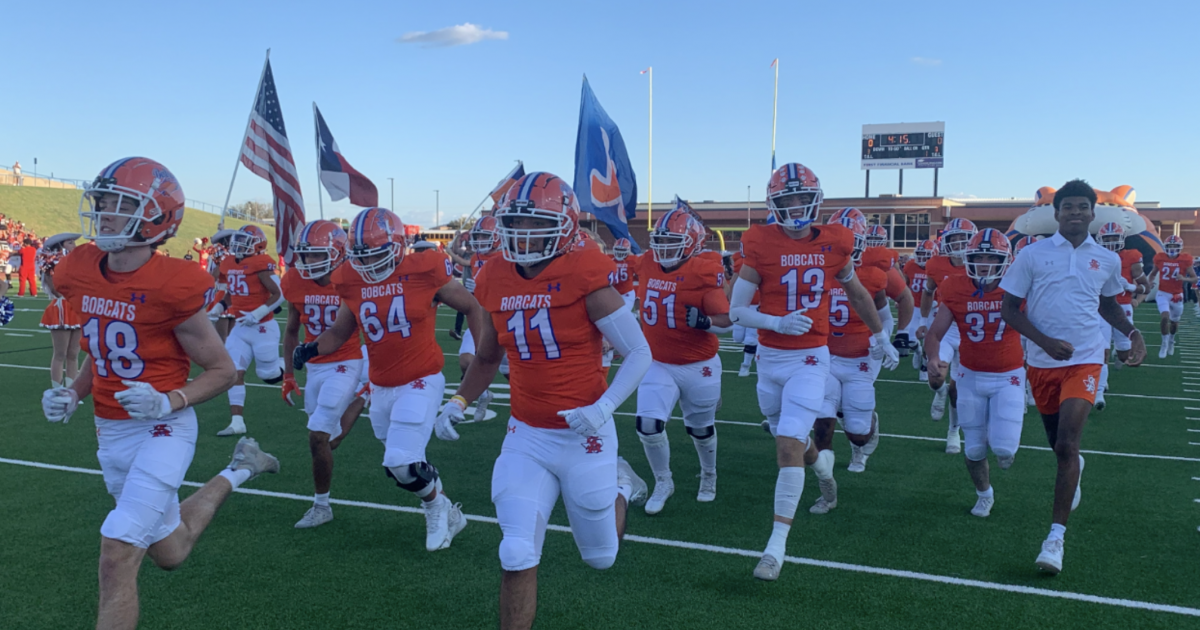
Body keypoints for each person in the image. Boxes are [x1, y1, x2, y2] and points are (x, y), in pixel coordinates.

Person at [40, 157, 278, 629]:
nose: (103, 213)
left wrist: (169, 400)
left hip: (163, 428)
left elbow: (223, 369)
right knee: (168, 551)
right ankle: (241, 467)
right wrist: (76, 393)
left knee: (118, 552)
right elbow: (99, 349)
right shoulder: (81, 267)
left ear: (156, 217)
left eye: (117, 204)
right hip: (110, 430)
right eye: (102, 202)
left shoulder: (173, 284)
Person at [432, 172, 651, 630]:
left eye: (535, 224)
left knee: (602, 558)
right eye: (515, 223)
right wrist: (458, 400)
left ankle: (622, 487)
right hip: (526, 434)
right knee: (514, 551)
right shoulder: (494, 275)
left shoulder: (585, 272)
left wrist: (603, 408)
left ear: (566, 226)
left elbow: (639, 353)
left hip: (584, 432)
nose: (523, 234)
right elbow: (490, 353)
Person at [730, 163, 898, 581]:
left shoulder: (835, 242)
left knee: (786, 445)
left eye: (802, 198)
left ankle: (775, 548)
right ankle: (824, 471)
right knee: (793, 440)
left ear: (815, 200)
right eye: (787, 199)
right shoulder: (758, 242)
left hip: (811, 357)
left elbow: (857, 293)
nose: (795, 206)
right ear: (774, 204)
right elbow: (737, 310)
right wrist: (775, 322)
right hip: (771, 358)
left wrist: (880, 336)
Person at [294, 207, 485, 552]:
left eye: (378, 255)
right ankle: (444, 508)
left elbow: (471, 306)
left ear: (397, 247)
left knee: (400, 460)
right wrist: (311, 349)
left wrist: (481, 350)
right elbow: (340, 330)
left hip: (421, 378)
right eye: (361, 257)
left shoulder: (425, 268)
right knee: (403, 467)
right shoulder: (350, 278)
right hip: (381, 385)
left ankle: (439, 509)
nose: (369, 265)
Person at [999, 179, 1146, 575]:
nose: (1076, 213)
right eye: (1069, 207)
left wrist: (1132, 334)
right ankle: (1074, 465)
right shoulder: (1031, 255)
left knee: (1066, 443)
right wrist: (1044, 341)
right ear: (1057, 213)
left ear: (1092, 213)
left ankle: (1054, 540)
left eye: (1083, 207)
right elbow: (1009, 309)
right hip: (1042, 363)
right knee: (1057, 444)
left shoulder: (1107, 260)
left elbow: (1109, 306)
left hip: (1085, 360)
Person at [633, 206, 731, 514]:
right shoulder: (647, 262)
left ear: (692, 243)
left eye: (671, 241)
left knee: (700, 429)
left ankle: (709, 474)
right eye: (659, 241)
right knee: (647, 425)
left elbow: (726, 320)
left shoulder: (703, 270)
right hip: (658, 361)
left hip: (698, 363)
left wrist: (703, 322)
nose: (663, 248)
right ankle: (664, 480)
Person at [925, 229, 1025, 518]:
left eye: (990, 256)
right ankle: (984, 494)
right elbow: (936, 332)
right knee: (974, 450)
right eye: (978, 256)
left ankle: (1004, 442)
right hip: (970, 375)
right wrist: (933, 356)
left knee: (1004, 449)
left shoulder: (1018, 285)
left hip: (1009, 375)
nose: (983, 263)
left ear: (1005, 259)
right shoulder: (954, 286)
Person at [281, 220, 366, 528]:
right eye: (306, 255)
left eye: (317, 255)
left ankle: (321, 506)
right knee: (326, 441)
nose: (309, 262)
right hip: (313, 364)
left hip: (345, 361)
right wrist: (288, 374)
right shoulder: (293, 280)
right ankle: (361, 399)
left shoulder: (351, 279)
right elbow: (292, 329)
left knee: (317, 435)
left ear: (337, 252)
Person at [214, 225, 286, 436]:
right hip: (240, 328)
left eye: (244, 240)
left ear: (257, 244)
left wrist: (257, 313)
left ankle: (286, 363)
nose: (238, 243)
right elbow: (232, 292)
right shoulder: (229, 263)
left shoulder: (261, 264)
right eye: (237, 239)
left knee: (269, 374)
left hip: (263, 327)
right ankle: (237, 421)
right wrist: (220, 306)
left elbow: (279, 294)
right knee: (233, 371)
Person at [918, 218, 978, 454]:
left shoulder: (979, 262)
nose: (959, 243)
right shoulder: (935, 264)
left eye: (963, 238)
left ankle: (953, 431)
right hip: (944, 326)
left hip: (970, 328)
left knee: (958, 389)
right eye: (954, 239)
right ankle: (939, 392)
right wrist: (923, 322)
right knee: (935, 380)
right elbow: (928, 292)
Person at [1095, 223, 1150, 408]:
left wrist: (1132, 287)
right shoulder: (1094, 256)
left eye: (1113, 238)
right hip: (1101, 307)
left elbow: (1146, 287)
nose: (1110, 242)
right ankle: (1099, 391)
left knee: (1124, 352)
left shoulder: (1131, 257)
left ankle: (1112, 363)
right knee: (1101, 349)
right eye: (1107, 239)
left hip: (1123, 305)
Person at [38, 233, 83, 387]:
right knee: (60, 354)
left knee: (73, 354)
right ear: (61, 246)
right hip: (62, 307)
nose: (74, 246)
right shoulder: (52, 264)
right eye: (70, 243)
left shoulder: (77, 263)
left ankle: (71, 389)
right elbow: (56, 289)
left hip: (76, 307)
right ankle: (57, 389)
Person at [1152, 235, 1195, 359]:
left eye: (1174, 246)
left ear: (1179, 247)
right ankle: (1164, 343)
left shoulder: (1185, 259)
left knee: (1174, 322)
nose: (1171, 249)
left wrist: (1184, 278)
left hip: (1177, 294)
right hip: (1162, 293)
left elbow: (1194, 278)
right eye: (1169, 246)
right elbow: (1153, 273)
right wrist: (1148, 282)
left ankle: (1171, 340)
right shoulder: (1160, 258)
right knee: (1165, 317)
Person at [904, 239, 937, 379]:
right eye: (920, 254)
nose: (922, 258)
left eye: (926, 255)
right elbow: (904, 283)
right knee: (911, 339)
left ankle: (924, 364)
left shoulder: (937, 267)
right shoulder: (910, 265)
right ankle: (917, 352)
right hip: (915, 307)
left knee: (929, 340)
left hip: (933, 308)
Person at [611, 237, 639, 310]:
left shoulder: (633, 260)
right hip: (612, 293)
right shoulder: (608, 259)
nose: (620, 252)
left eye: (622, 250)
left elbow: (641, 275)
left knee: (623, 312)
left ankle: (634, 316)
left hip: (626, 293)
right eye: (618, 249)